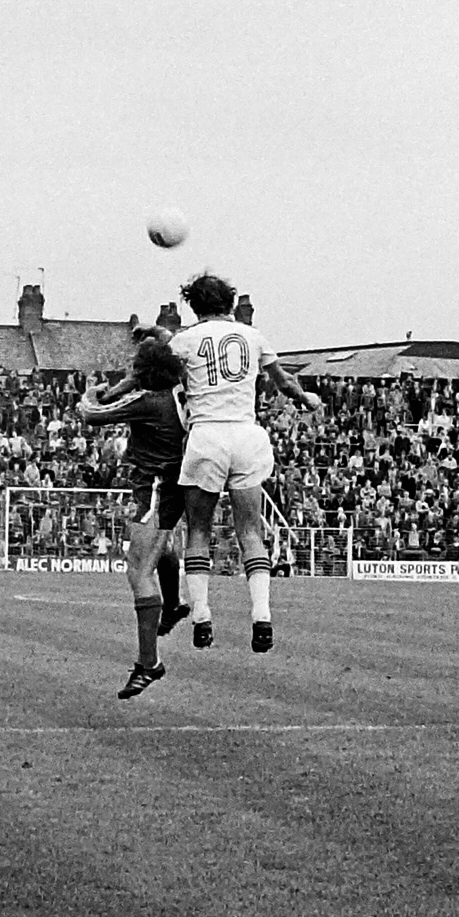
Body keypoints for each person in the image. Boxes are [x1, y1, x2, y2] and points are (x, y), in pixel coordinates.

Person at [165, 273, 321, 654]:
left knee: (198, 531)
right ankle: (262, 615)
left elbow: (163, 378)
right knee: (250, 531)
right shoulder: (253, 337)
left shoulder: (184, 340)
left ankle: (202, 616)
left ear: (194, 305)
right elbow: (284, 383)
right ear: (230, 303)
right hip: (246, 435)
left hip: (206, 436)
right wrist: (307, 400)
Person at [77, 335, 190, 697]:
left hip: (156, 487)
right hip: (173, 484)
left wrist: (88, 395)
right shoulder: (178, 394)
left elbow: (92, 415)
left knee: (138, 570)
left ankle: (149, 664)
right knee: (162, 549)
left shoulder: (149, 402)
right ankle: (173, 605)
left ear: (144, 372)